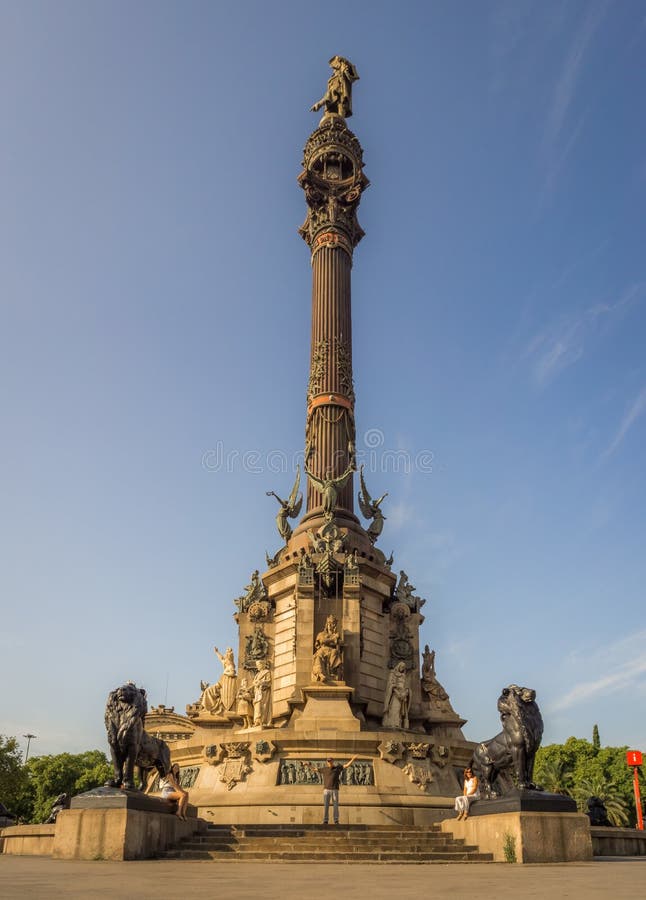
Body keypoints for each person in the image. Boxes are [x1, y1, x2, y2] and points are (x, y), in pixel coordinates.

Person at [305, 755, 358, 825]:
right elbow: (315, 769)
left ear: (333, 761)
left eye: (330, 761)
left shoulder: (337, 768)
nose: (329, 762)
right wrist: (308, 765)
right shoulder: (324, 769)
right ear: (327, 762)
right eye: (328, 761)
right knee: (326, 806)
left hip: (335, 790)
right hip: (326, 790)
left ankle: (336, 820)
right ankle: (325, 820)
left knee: (335, 805)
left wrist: (353, 759)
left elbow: (346, 765)